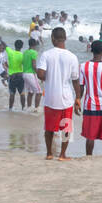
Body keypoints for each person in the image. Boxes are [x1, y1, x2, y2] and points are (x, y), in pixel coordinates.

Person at [36, 26, 81, 160]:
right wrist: (78, 98)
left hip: (50, 98)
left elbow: (40, 74)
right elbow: (75, 80)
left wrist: (48, 76)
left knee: (49, 128)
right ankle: (62, 154)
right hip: (66, 98)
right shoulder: (72, 57)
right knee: (66, 127)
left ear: (52, 39)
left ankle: (49, 153)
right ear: (65, 38)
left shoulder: (46, 54)